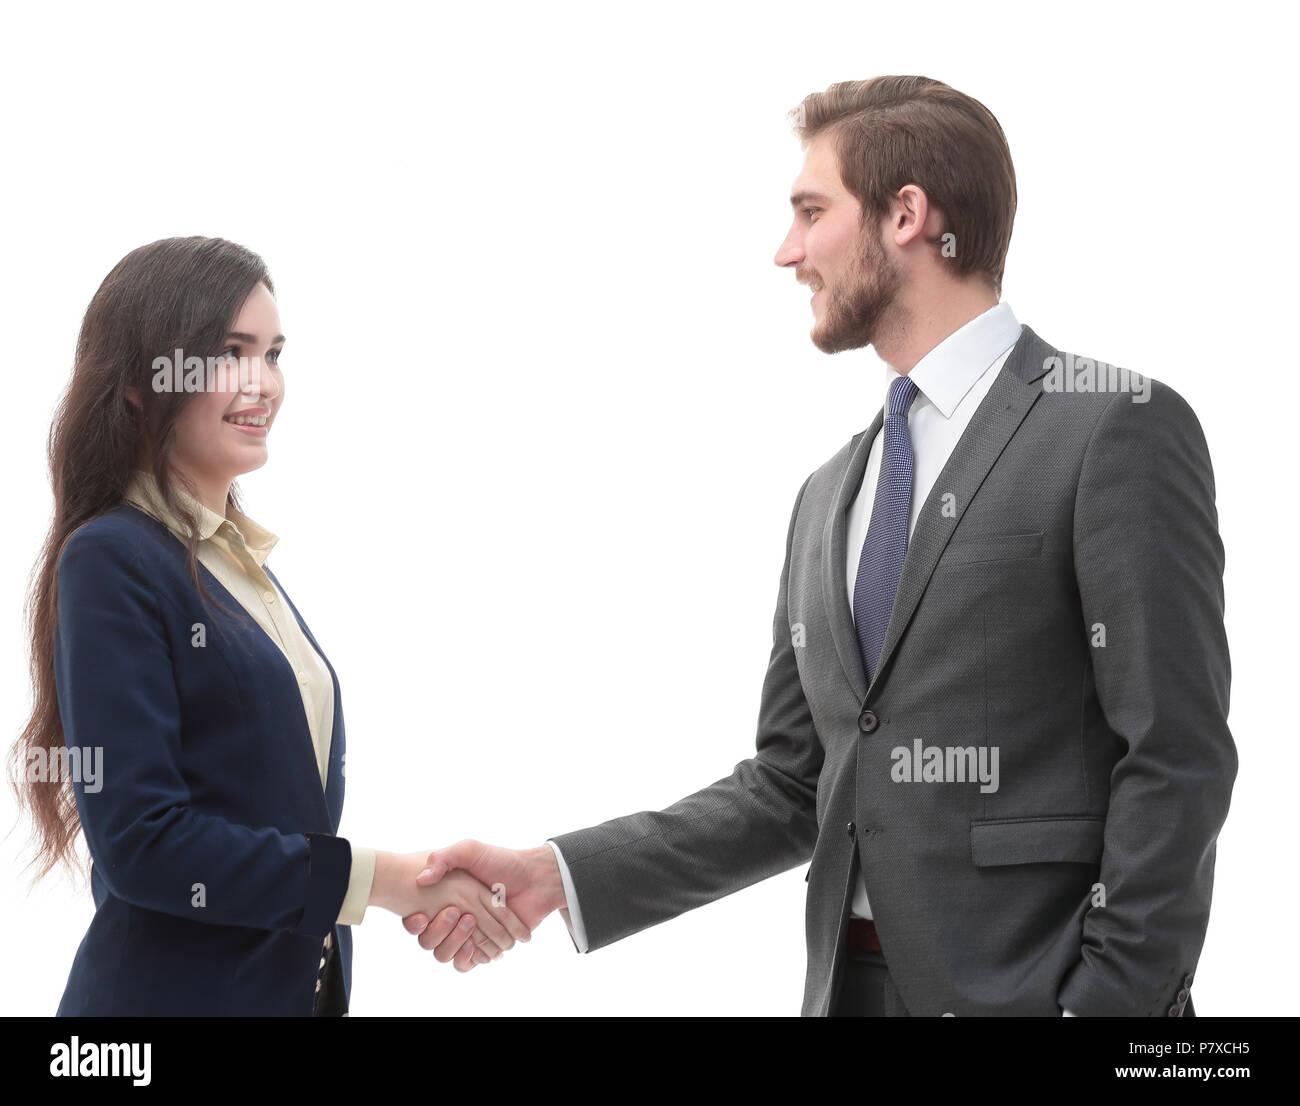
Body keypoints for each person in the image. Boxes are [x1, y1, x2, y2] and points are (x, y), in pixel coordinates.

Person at [402, 76, 1236, 1017]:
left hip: (1040, 992)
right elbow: (793, 785)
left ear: (907, 215)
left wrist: (1108, 1008)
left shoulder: (1110, 427)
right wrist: (557, 874)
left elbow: (1178, 754)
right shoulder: (828, 495)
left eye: (810, 210)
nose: (786, 252)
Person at [11, 236, 528, 1016]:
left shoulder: (239, 568)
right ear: (139, 386)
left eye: (274, 352)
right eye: (229, 352)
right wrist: (382, 879)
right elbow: (143, 842)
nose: (265, 384)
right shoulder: (113, 558)